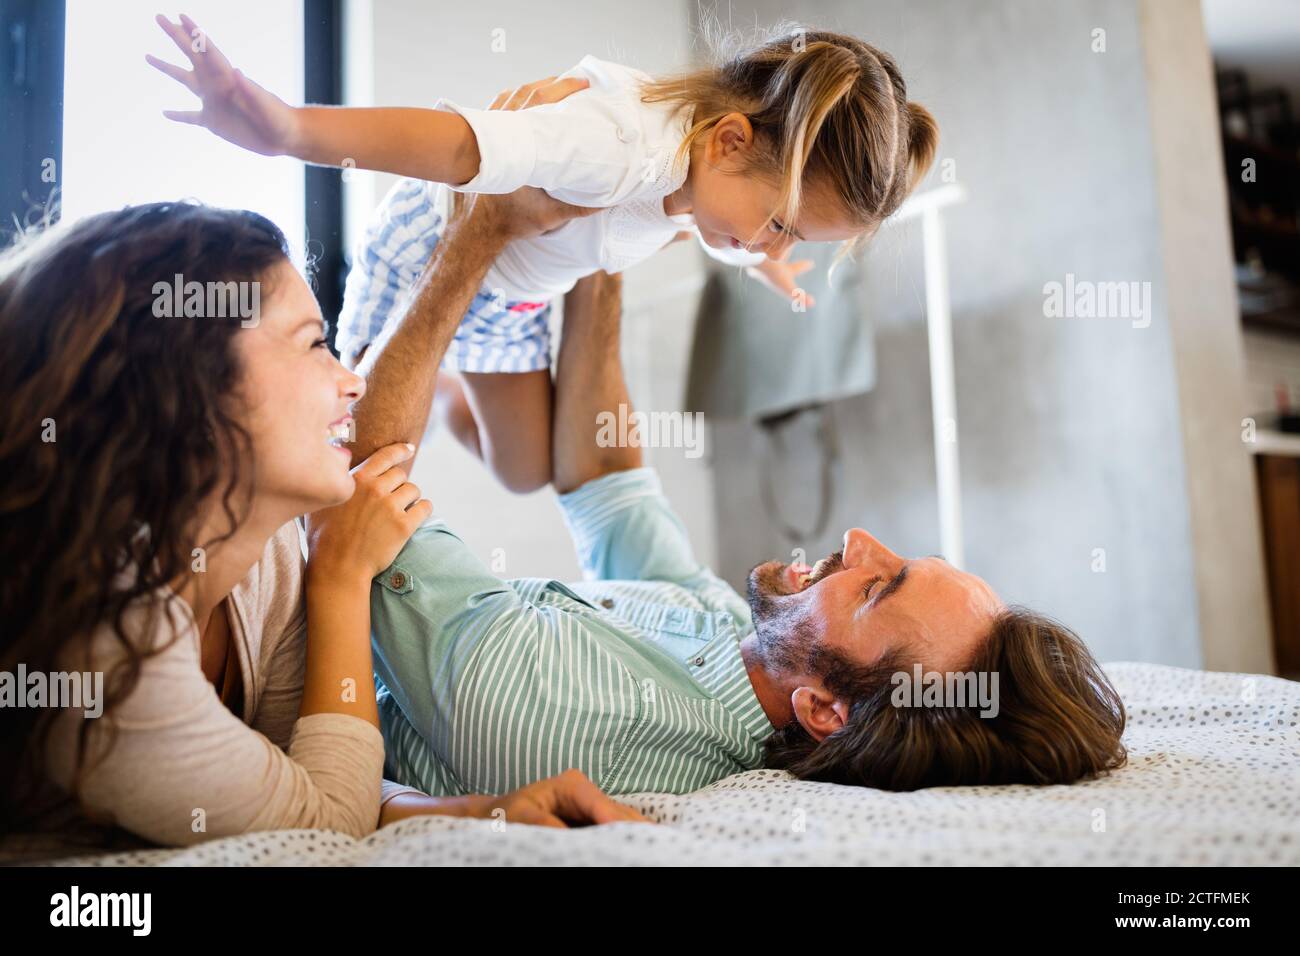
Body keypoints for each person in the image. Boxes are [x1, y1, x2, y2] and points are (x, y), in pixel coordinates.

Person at [0, 82, 646, 861]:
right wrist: (339, 577)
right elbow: (321, 832)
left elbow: (301, 787)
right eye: (313, 344)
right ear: (190, 387)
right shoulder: (114, 639)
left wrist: (484, 812)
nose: (350, 382)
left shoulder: (259, 559)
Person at [340, 179, 1129, 801]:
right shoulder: (738, 646)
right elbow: (606, 479)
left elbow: (364, 483)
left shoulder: (567, 720)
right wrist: (605, 235)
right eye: (897, 556)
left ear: (824, 711)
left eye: (876, 587)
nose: (858, 542)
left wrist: (480, 233)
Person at [148, 15, 939, 493]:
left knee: (525, 472)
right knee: (359, 457)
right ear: (731, 141)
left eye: (793, 240)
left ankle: (453, 383)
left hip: (514, 291)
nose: (771, 243)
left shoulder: (716, 180)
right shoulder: (618, 143)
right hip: (435, 242)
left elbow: (711, 220)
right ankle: (421, 368)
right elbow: (462, 143)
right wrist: (289, 130)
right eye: (781, 226)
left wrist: (760, 260)